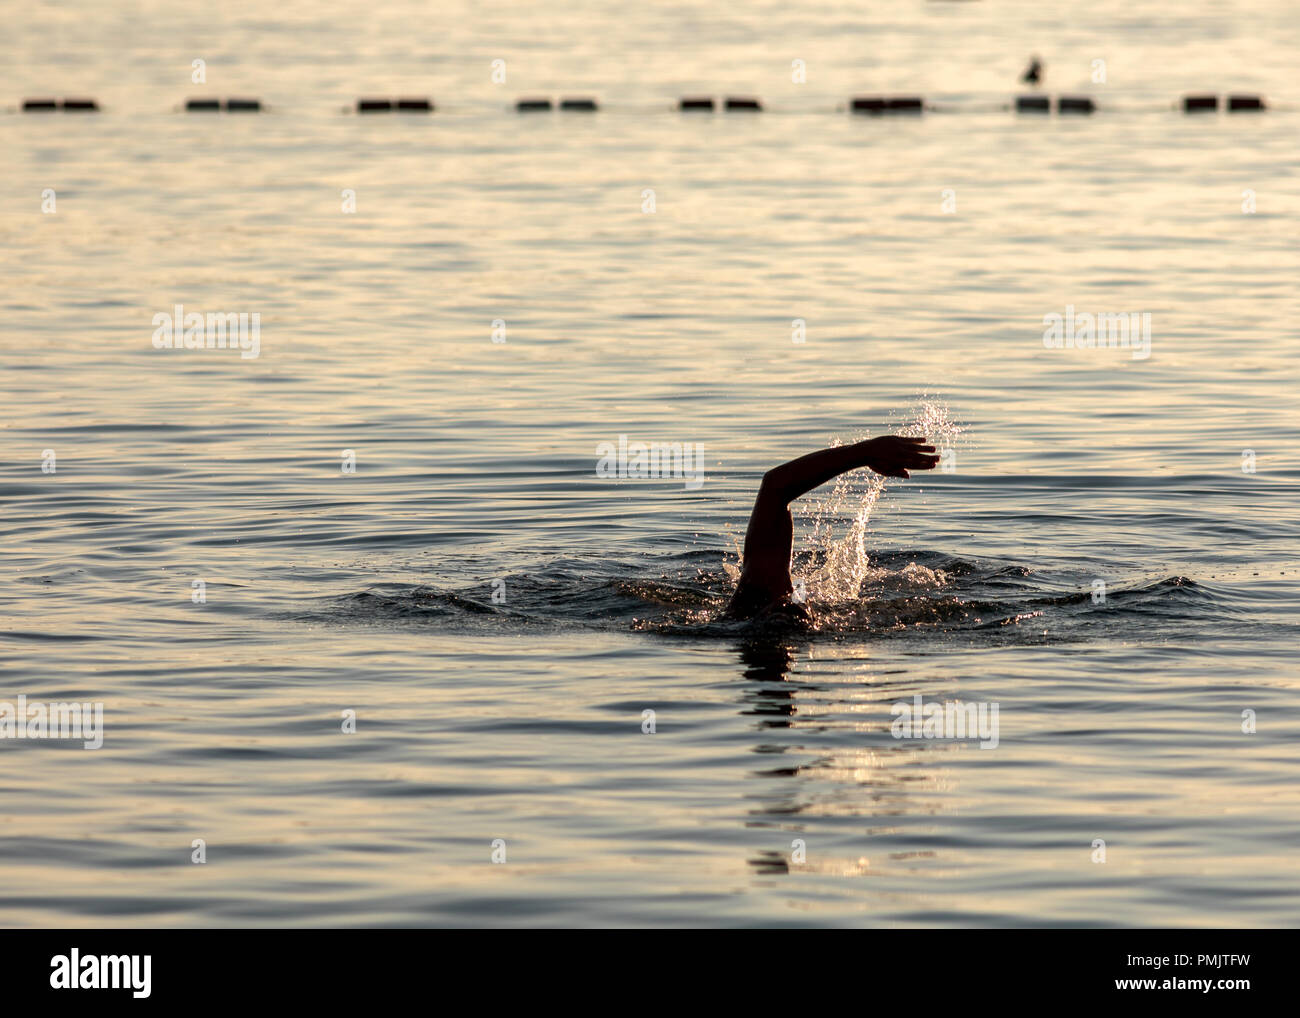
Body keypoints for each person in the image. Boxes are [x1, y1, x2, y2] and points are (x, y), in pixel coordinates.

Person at [727, 436, 940, 618]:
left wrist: (866, 452)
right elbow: (775, 485)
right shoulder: (754, 603)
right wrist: (866, 452)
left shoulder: (749, 605)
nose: (787, 605)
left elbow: (774, 486)